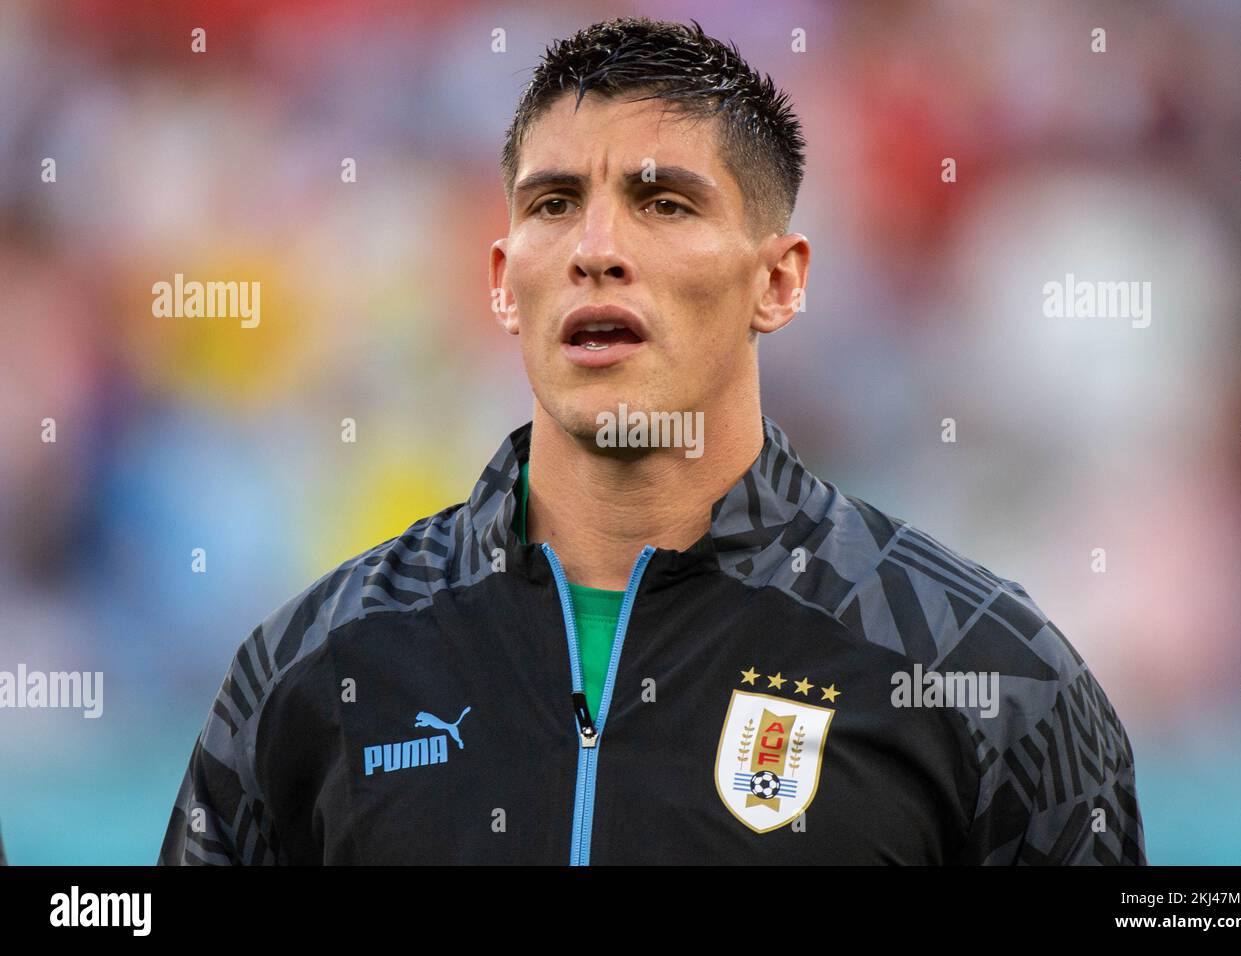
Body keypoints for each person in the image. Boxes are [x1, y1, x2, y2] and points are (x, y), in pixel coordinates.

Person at [159, 16, 1146, 865]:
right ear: (504, 278)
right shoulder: (312, 667)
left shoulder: (981, 670)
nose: (596, 248)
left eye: (663, 201)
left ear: (779, 281)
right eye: (553, 204)